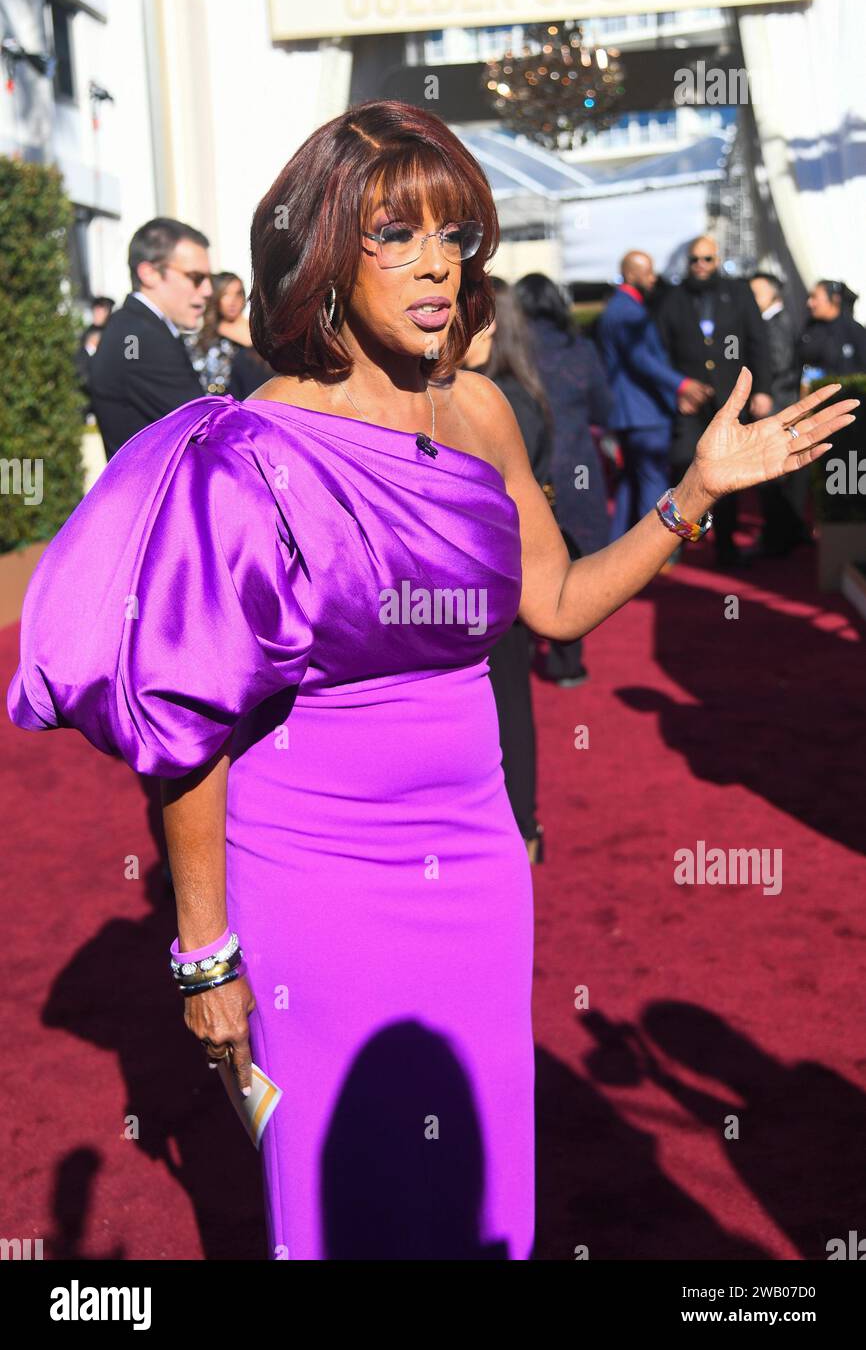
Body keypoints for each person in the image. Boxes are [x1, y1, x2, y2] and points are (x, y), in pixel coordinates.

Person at [6, 98, 857, 1262]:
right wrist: (204, 953)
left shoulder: (478, 407)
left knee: (476, 1164)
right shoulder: (246, 452)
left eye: (454, 237)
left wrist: (695, 493)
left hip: (473, 850)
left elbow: (551, 604)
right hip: (308, 866)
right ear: (324, 251)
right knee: (348, 1181)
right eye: (394, 236)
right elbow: (187, 726)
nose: (436, 268)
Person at [463, 277, 554, 865]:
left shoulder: (496, 401)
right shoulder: (515, 389)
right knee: (505, 703)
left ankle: (520, 825)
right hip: (503, 571)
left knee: (508, 707)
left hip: (500, 576)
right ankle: (522, 825)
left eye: (467, 316)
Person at [515, 271, 611, 685]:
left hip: (525, 469)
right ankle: (567, 659)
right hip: (577, 468)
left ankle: (517, 658)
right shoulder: (581, 349)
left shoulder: (511, 353)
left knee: (522, 563)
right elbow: (604, 408)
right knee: (574, 565)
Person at [656, 235, 773, 568]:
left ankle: (726, 546)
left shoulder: (737, 292)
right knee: (682, 467)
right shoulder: (673, 298)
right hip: (690, 403)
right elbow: (659, 351)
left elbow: (757, 342)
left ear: (717, 260)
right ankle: (674, 542)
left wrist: (762, 390)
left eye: (707, 259)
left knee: (727, 474)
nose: (700, 265)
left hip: (730, 401)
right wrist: (676, 390)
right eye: (694, 260)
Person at [598, 250, 712, 541]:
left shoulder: (620, 307)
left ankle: (616, 545)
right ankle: (657, 548)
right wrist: (681, 384)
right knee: (653, 482)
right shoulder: (627, 311)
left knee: (631, 481)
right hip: (643, 413)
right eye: (647, 272)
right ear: (632, 274)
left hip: (632, 413)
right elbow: (641, 359)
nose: (653, 278)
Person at [89, 218, 212, 460]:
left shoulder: (136, 327)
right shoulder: (141, 338)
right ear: (149, 273)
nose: (208, 290)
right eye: (196, 277)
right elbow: (208, 431)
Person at [749, 272, 811, 556]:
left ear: (773, 296)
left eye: (756, 293)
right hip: (776, 403)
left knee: (771, 477)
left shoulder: (777, 324)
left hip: (776, 406)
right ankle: (782, 534)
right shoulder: (773, 322)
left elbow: (778, 363)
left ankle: (779, 537)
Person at [798, 279, 866, 385]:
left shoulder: (854, 331)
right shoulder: (809, 328)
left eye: (814, 297)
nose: (809, 303)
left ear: (834, 298)